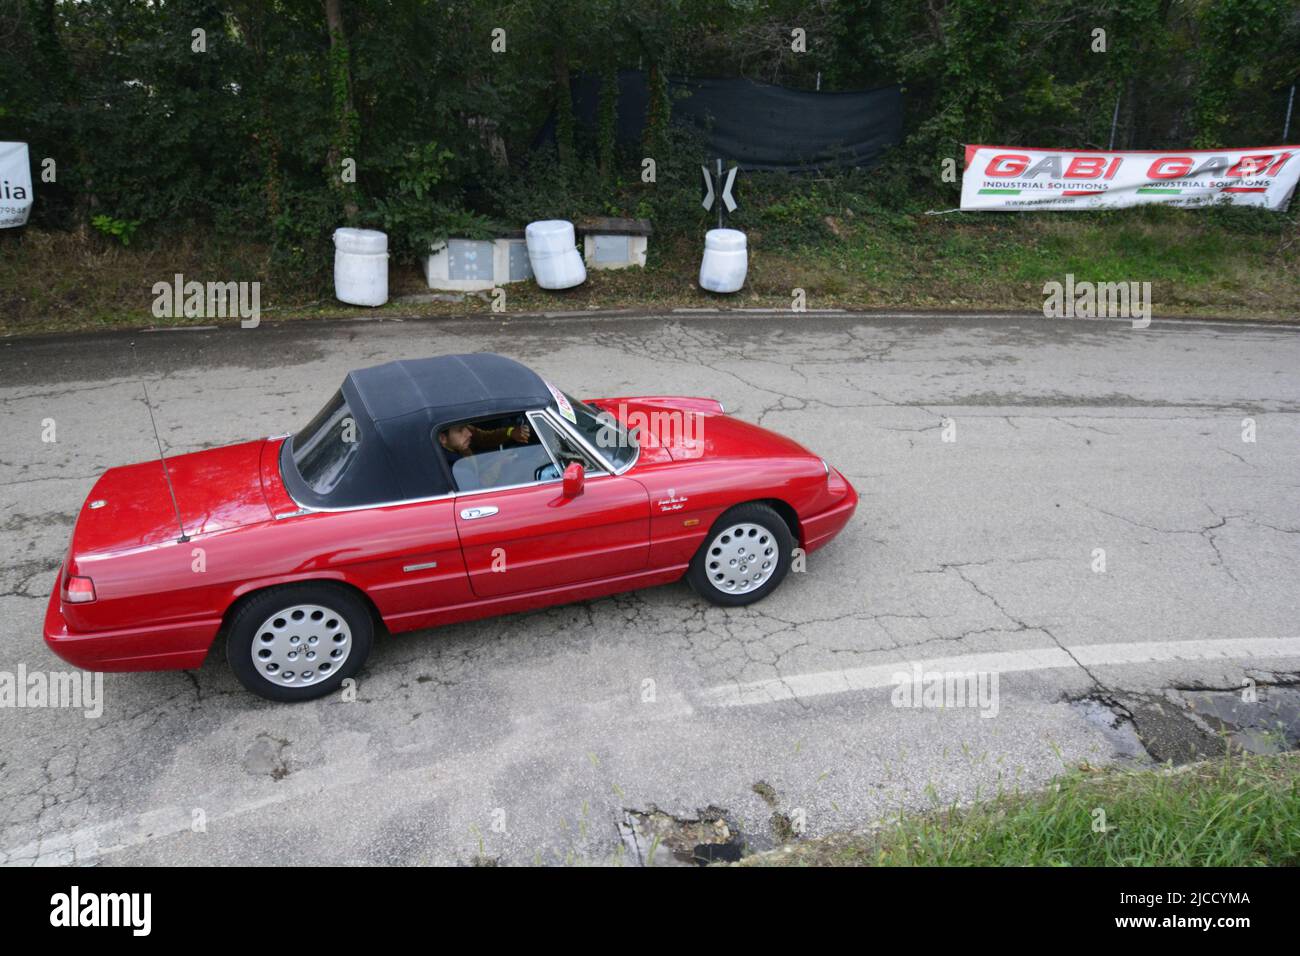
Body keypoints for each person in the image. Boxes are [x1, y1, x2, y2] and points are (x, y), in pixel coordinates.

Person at [438, 420, 531, 467]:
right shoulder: (455, 467)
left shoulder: (458, 445)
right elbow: (479, 484)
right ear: (443, 438)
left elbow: (486, 438)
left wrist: (510, 432)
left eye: (467, 427)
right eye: (460, 430)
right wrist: (499, 462)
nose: (469, 433)